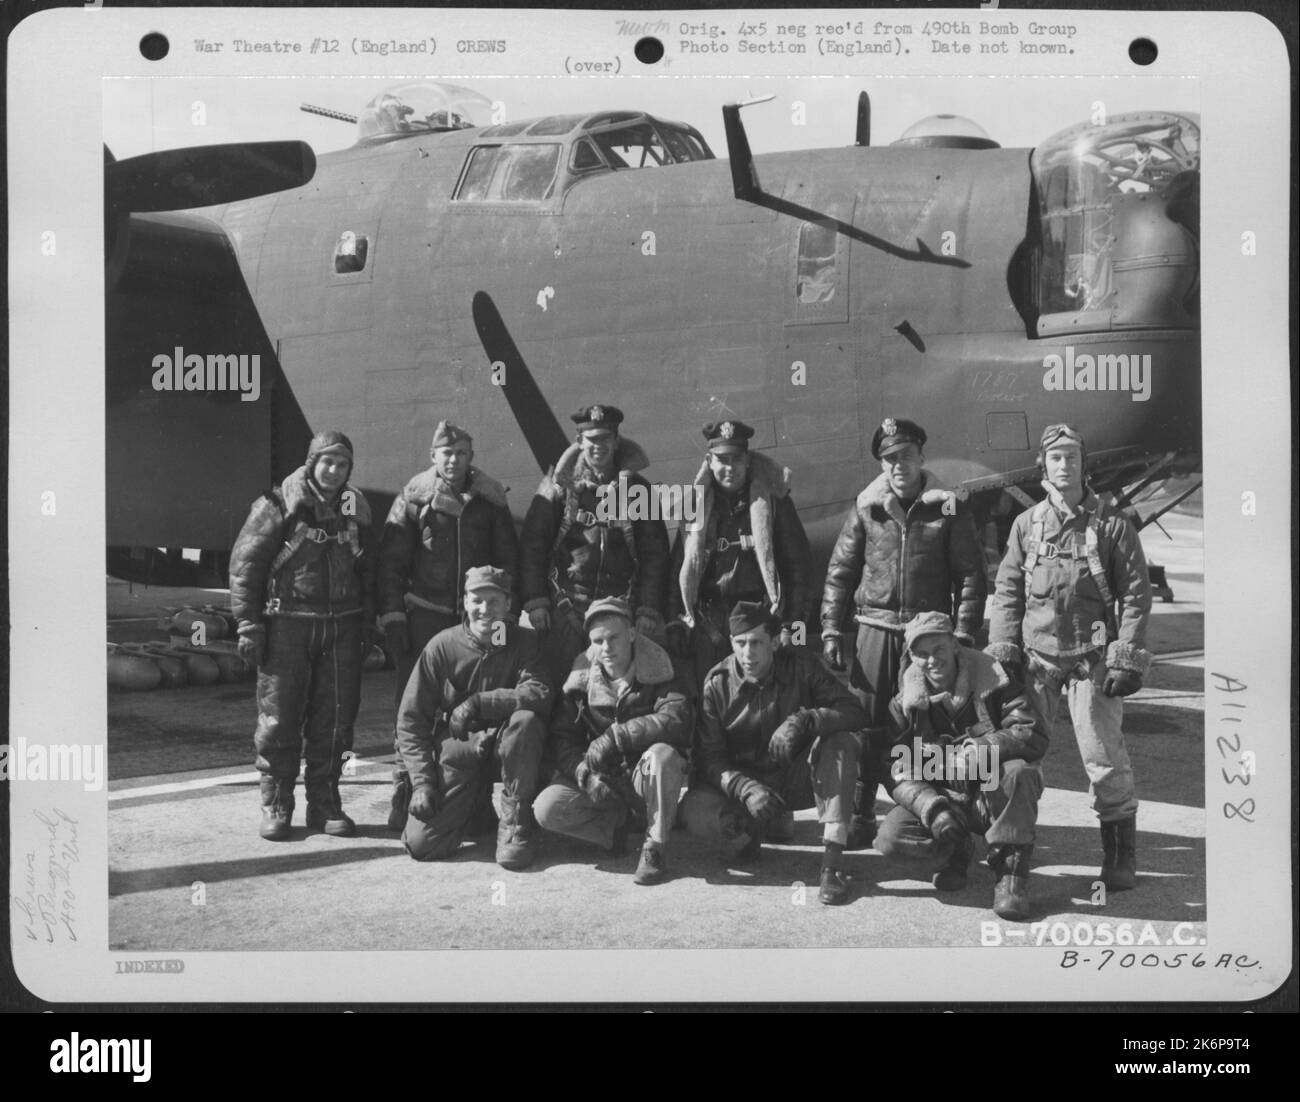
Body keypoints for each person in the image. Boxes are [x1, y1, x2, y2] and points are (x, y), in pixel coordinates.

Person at [987, 424, 1152, 891]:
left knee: (1104, 760)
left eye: (1072, 457)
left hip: (1091, 662)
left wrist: (1126, 657)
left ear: (1085, 464)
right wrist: (1003, 652)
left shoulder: (1112, 526)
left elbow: (1136, 595)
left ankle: (1120, 856)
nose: (1064, 465)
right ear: (1044, 465)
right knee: (1023, 764)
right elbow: (1007, 591)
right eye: (1056, 457)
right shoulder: (1027, 525)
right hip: (1037, 662)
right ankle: (1015, 861)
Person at [820, 417, 986, 850]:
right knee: (866, 722)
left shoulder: (948, 507)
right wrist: (832, 630)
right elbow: (840, 573)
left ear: (921, 458)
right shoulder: (867, 508)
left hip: (924, 636)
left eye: (906, 456)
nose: (898, 465)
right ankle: (859, 811)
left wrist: (964, 635)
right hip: (874, 630)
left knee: (920, 719)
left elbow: (970, 575)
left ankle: (934, 806)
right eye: (890, 458)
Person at [229, 430, 376, 841]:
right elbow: (246, 567)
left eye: (342, 464)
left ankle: (325, 802)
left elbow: (369, 571)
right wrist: (248, 624)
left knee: (336, 722)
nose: (334, 471)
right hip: (287, 626)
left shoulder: (355, 510)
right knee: (280, 719)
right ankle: (277, 803)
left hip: (342, 627)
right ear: (312, 463)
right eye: (327, 462)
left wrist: (368, 624)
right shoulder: (277, 506)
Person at [377, 421, 518, 833]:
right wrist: (394, 616)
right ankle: (405, 792)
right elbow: (391, 564)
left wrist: (507, 619)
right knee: (414, 704)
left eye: (461, 454)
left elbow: (508, 561)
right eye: (446, 454)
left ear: (471, 457)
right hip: (425, 615)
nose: (453, 461)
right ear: (433, 457)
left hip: (477, 621)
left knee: (474, 703)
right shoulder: (414, 498)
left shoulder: (490, 501)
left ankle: (472, 798)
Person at [682, 601, 867, 905]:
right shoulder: (717, 683)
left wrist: (806, 719)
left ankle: (832, 865)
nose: (747, 653)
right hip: (747, 785)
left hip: (794, 778)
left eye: (756, 643)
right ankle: (745, 837)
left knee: (841, 744)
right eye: (740, 643)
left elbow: (853, 711)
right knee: (693, 811)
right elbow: (709, 757)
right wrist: (743, 787)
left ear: (775, 641)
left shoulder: (802, 665)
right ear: (731, 643)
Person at [876, 612, 1047, 921]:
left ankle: (1011, 878)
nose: (931, 660)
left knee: (1021, 773)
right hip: (944, 796)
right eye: (921, 653)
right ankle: (955, 849)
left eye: (938, 649)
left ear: (954, 644)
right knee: (890, 839)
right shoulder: (904, 701)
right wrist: (932, 807)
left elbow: (1031, 732)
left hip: (989, 790)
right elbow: (894, 765)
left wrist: (985, 748)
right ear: (911, 656)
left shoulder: (998, 679)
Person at [395, 566, 551, 870]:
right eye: (477, 600)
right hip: (461, 751)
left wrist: (480, 702)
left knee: (527, 722)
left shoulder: (524, 642)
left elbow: (539, 692)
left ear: (508, 604)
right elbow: (411, 720)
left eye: (494, 601)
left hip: (510, 750)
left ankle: (516, 822)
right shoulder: (442, 646)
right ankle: (474, 805)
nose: (485, 610)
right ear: (464, 601)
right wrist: (422, 783)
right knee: (422, 845)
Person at [533, 598, 693, 884]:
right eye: (598, 640)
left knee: (663, 756)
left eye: (614, 637)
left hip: (644, 774)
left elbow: (677, 719)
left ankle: (654, 847)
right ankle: (613, 828)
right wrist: (584, 775)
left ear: (631, 634)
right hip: (606, 777)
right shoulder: (580, 677)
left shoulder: (660, 665)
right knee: (547, 809)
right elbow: (563, 738)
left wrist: (617, 736)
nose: (606, 648)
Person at [520, 404, 670, 684]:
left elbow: (655, 554)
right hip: (568, 608)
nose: (598, 446)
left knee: (620, 689)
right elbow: (533, 546)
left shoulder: (638, 490)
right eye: (592, 439)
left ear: (615, 441)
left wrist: (648, 609)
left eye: (604, 438)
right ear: (579, 441)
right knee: (561, 688)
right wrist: (536, 601)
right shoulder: (558, 488)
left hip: (620, 610)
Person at [666, 419, 812, 687]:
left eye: (736, 459)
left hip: (757, 624)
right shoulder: (695, 508)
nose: (729, 468)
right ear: (709, 461)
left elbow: (798, 568)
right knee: (711, 707)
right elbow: (679, 568)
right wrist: (674, 625)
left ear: (748, 460)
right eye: (722, 460)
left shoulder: (774, 505)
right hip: (709, 628)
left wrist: (794, 627)